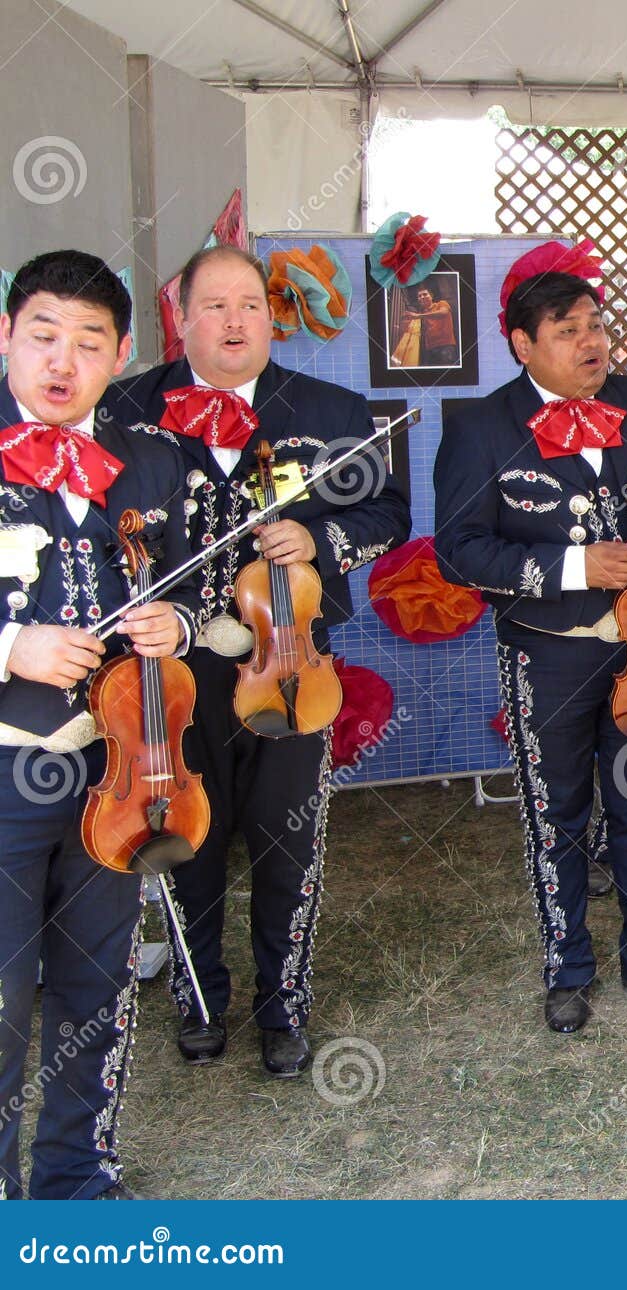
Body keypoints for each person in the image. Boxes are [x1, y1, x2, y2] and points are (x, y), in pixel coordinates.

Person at [106, 245, 411, 1077]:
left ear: (272, 318)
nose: (234, 321)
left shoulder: (332, 409)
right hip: (171, 674)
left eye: (249, 304)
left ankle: (285, 1005)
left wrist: (320, 540)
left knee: (287, 836)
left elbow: (389, 512)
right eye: (214, 306)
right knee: (187, 834)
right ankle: (200, 998)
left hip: (291, 661)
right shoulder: (125, 409)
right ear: (181, 319)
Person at [434, 270, 627, 1034]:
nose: (591, 342)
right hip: (546, 654)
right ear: (523, 345)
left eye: (595, 324)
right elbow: (458, 550)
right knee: (554, 815)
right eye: (568, 331)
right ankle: (567, 968)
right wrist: (573, 568)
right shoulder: (481, 427)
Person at [0, 250, 197, 1197]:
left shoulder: (152, 457)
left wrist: (178, 626)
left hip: (120, 770)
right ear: (6, 336)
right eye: (43, 337)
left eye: (88, 343)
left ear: (121, 356)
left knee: (97, 982)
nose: (62, 362)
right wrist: (12, 647)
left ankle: (77, 1177)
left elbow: (199, 588)